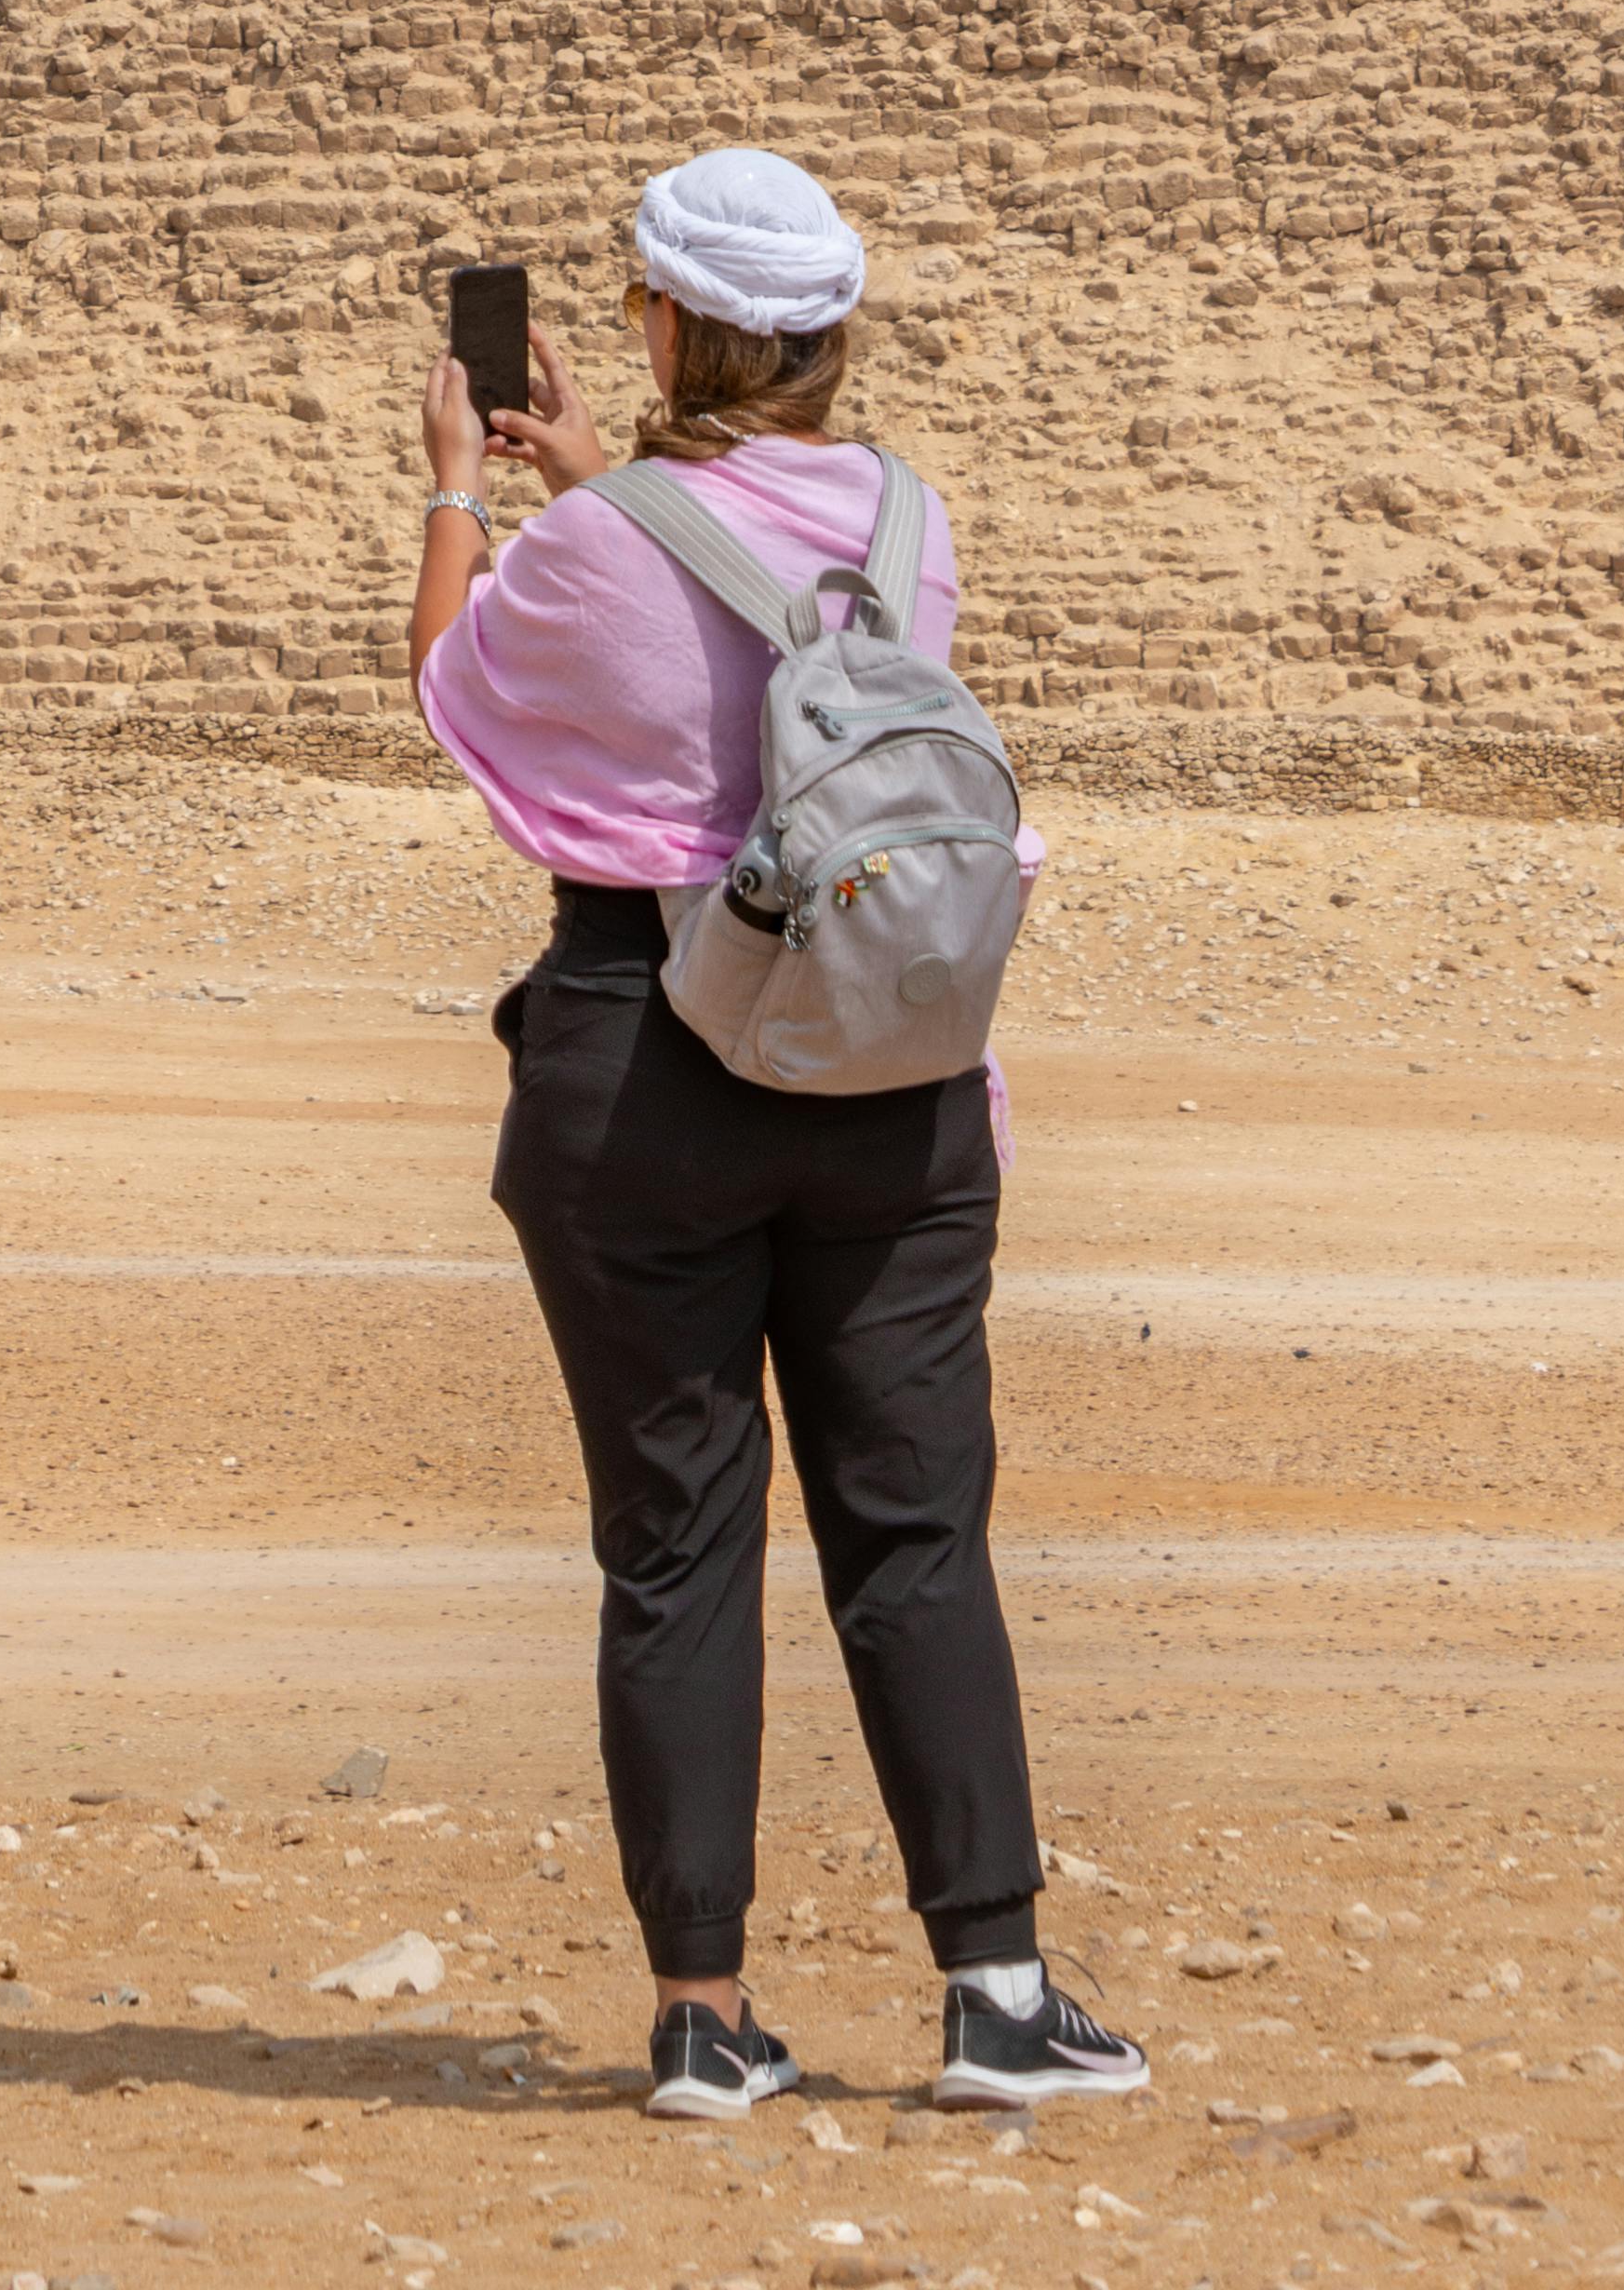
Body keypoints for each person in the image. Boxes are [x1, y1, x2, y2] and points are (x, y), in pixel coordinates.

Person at [409, 143, 1146, 2128]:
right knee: (913, 1527)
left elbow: (453, 686)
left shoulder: (583, 547)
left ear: (662, 318)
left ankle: (702, 2016)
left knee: (676, 1537)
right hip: (892, 1075)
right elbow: (773, 654)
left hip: (641, 1067)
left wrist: (465, 480)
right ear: (821, 334)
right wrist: (613, 483)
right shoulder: (913, 525)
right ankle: (994, 1984)